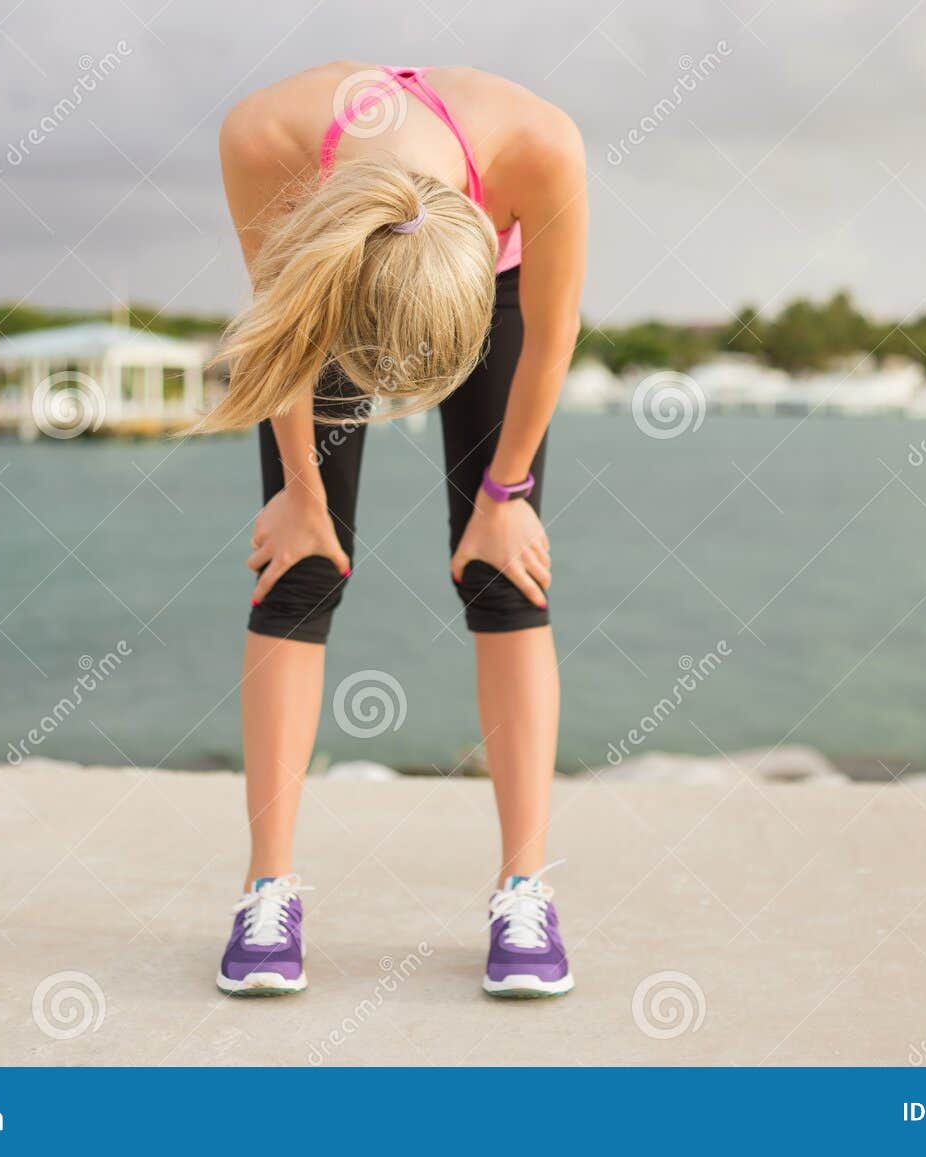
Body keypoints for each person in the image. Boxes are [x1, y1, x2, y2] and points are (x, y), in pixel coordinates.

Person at [201, 61, 587, 997]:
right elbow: (276, 329)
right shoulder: (264, 141)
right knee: (295, 569)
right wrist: (300, 488)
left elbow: (550, 330)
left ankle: (525, 884)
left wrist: (507, 494)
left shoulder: (540, 146)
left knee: (510, 576)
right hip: (327, 284)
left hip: (491, 299)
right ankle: (265, 887)